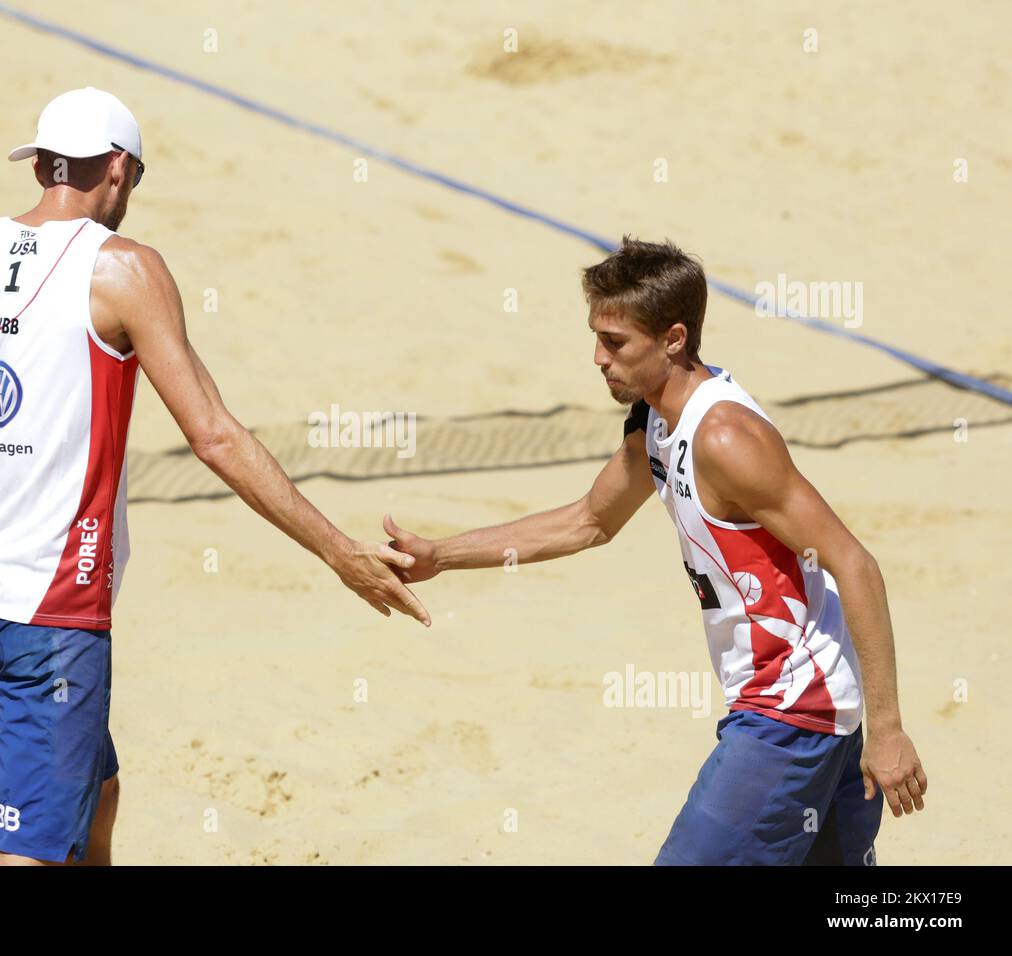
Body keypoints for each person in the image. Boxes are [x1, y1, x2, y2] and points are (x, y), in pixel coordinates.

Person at [0, 87, 428, 866]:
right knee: (34, 848)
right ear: (117, 169)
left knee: (96, 791)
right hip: (50, 616)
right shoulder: (124, 270)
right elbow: (215, 436)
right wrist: (339, 552)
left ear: (44, 163)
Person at [383, 237, 927, 865]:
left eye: (615, 342)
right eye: (596, 336)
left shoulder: (725, 439)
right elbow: (589, 521)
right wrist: (440, 556)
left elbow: (856, 564)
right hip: (813, 703)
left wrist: (887, 730)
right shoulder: (655, 422)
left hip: (791, 708)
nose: (597, 357)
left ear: (673, 339)